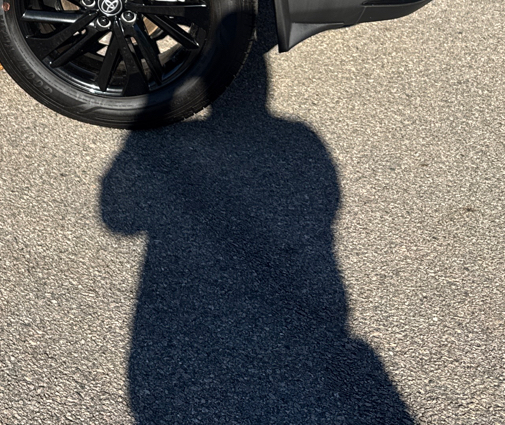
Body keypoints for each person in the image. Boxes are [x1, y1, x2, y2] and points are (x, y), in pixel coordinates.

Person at [100, 30, 414, 424]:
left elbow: (117, 218)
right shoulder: (301, 138)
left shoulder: (292, 138)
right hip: (325, 305)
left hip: (179, 321)